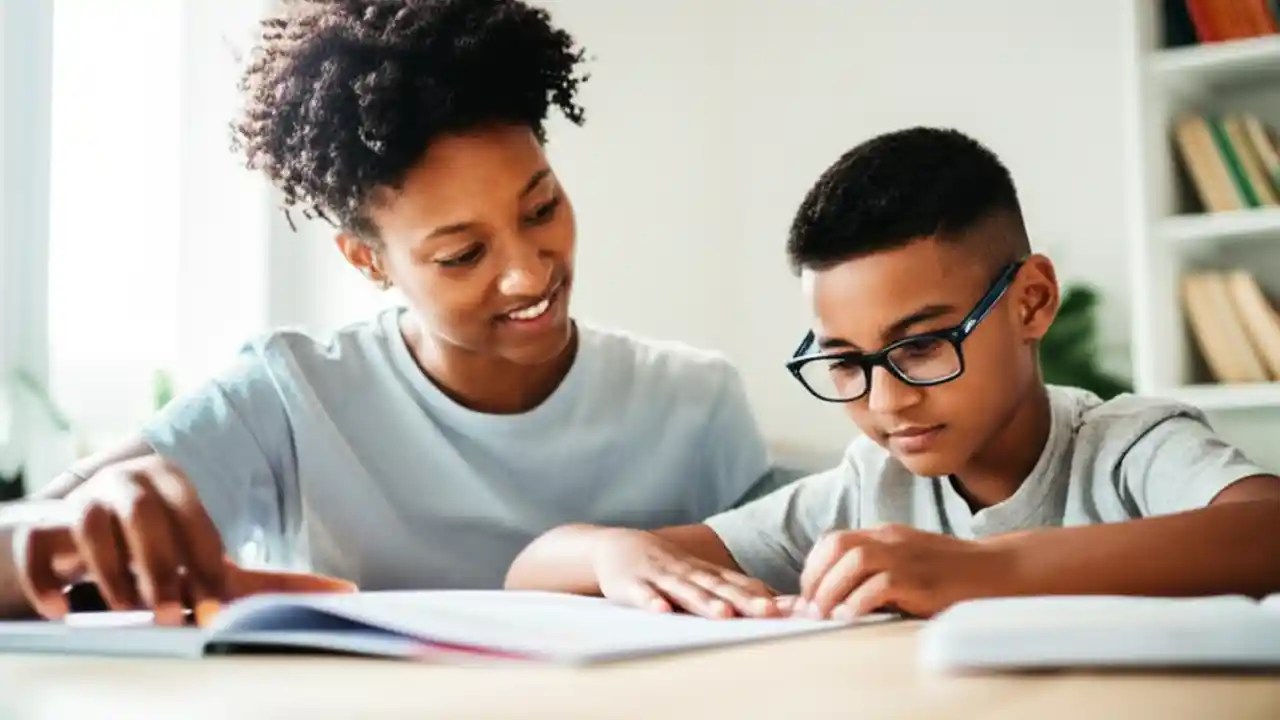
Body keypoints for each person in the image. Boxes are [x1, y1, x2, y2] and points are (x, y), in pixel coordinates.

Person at [0, 0, 782, 623]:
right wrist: (63, 528)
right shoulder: (287, 398)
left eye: (541, 209)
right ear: (367, 259)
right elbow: (20, 549)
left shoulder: (695, 405)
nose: (527, 273)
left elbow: (794, 600)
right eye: (462, 255)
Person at [506, 127, 1280, 621]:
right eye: (844, 361)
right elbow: (530, 577)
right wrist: (613, 552)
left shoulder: (1125, 451)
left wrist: (978, 571)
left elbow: (1265, 531)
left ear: (1032, 303)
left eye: (919, 346)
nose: (886, 401)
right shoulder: (866, 489)